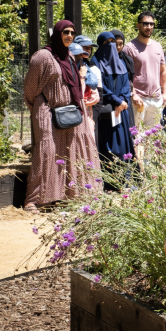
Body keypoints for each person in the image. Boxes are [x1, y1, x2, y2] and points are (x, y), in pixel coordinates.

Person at [23, 20, 100, 211]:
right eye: (66, 32)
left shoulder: (70, 56)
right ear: (57, 33)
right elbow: (30, 89)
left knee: (71, 151)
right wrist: (39, 108)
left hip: (70, 111)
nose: (69, 36)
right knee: (47, 151)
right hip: (47, 110)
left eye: (72, 33)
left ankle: (66, 195)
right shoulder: (42, 56)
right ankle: (34, 199)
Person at [96, 31, 135, 187]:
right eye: (107, 42)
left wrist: (123, 101)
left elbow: (126, 85)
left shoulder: (121, 63)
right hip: (106, 111)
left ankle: (123, 180)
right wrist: (116, 101)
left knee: (122, 144)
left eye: (113, 41)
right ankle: (109, 182)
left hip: (121, 111)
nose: (111, 45)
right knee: (107, 144)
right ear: (100, 45)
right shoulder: (96, 62)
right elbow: (100, 87)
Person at [123, 11, 166, 139]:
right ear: (138, 25)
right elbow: (125, 75)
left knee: (153, 137)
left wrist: (165, 93)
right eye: (145, 24)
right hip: (138, 100)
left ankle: (149, 155)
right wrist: (133, 94)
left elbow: (163, 71)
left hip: (156, 99)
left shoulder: (158, 46)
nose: (149, 27)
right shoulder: (129, 48)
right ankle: (138, 154)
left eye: (151, 24)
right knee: (137, 136)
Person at [75, 35, 103, 143]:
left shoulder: (93, 69)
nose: (88, 50)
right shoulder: (68, 67)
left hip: (88, 115)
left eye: (89, 48)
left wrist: (93, 120)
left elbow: (99, 97)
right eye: (84, 47)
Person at [69, 42, 99, 134]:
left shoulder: (86, 71)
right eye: (75, 56)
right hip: (71, 117)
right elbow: (76, 96)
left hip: (87, 117)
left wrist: (84, 102)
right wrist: (81, 77)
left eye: (80, 56)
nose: (79, 59)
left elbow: (96, 97)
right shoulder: (65, 74)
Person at [111, 29, 136, 129]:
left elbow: (130, 80)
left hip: (125, 98)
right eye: (115, 44)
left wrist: (126, 96)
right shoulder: (105, 59)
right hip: (112, 99)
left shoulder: (127, 60)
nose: (118, 47)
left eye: (120, 44)